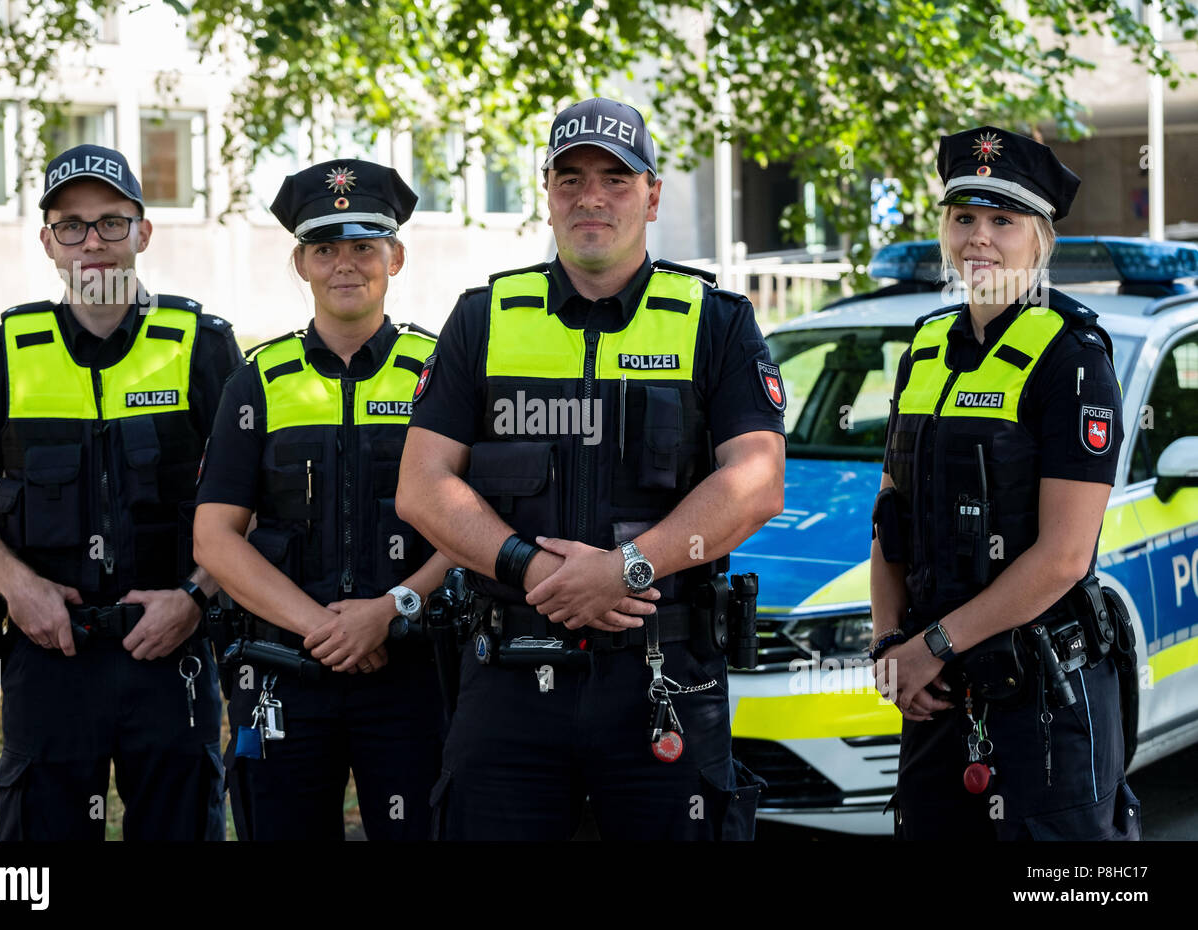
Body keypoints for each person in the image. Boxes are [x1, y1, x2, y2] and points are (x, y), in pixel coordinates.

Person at [396, 97, 786, 841]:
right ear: (547, 193)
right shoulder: (485, 317)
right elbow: (421, 486)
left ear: (653, 194)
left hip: (664, 669)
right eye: (570, 177)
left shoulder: (716, 320)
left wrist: (629, 568)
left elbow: (757, 481)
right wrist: (527, 568)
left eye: (615, 176)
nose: (592, 196)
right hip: (509, 672)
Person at [0, 144, 242, 840]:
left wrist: (195, 599)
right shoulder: (13, 348)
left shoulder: (201, 345)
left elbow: (249, 500)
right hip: (50, 653)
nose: (91, 242)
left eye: (110, 222)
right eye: (70, 225)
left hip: (170, 652)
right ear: (47, 242)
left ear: (143, 232)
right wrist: (16, 585)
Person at [869, 126, 1141, 840]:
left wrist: (926, 648)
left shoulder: (1073, 358)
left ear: (1039, 238)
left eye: (1003, 221)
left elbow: (1062, 557)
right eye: (964, 218)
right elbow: (890, 518)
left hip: (1043, 704)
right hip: (935, 700)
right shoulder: (924, 349)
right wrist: (888, 645)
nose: (979, 239)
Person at [193, 158, 450, 841]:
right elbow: (215, 539)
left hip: (411, 673)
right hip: (283, 673)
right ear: (299, 262)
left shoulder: (439, 371)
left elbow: (471, 526)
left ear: (396, 256)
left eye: (365, 245)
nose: (346, 264)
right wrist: (327, 628)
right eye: (324, 247)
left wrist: (388, 612)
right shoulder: (258, 381)